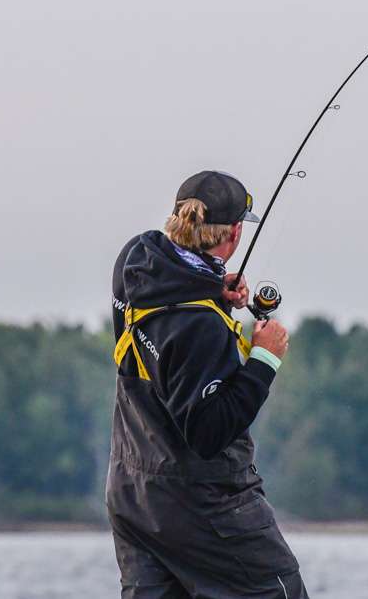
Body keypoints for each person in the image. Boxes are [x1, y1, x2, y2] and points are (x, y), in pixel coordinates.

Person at [106, 170, 309, 598]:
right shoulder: (199, 326)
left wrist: (213, 289)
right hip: (205, 503)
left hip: (134, 498)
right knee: (281, 590)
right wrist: (265, 358)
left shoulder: (133, 263)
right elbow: (208, 432)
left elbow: (167, 311)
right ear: (234, 234)